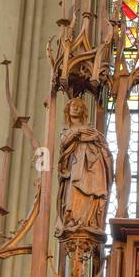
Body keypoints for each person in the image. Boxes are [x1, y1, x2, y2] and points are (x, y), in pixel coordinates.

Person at [56, 97, 113, 235]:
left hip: (92, 165)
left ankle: (89, 219)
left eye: (79, 106)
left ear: (83, 111)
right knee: (74, 190)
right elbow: (64, 144)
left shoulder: (90, 128)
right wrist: (77, 133)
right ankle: (73, 219)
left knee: (92, 190)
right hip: (75, 165)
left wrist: (95, 138)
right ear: (68, 110)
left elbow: (102, 143)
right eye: (73, 106)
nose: (75, 108)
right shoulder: (67, 129)